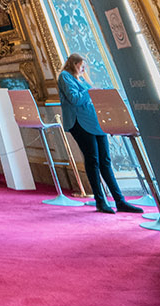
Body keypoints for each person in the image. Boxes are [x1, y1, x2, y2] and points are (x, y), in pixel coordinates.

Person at [57, 54, 144, 214]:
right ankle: (100, 200)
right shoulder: (65, 76)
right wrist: (91, 92)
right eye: (81, 65)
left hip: (95, 122)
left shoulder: (82, 79)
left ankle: (120, 200)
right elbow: (74, 99)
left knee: (105, 160)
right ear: (74, 64)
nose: (83, 69)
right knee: (93, 160)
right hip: (80, 123)